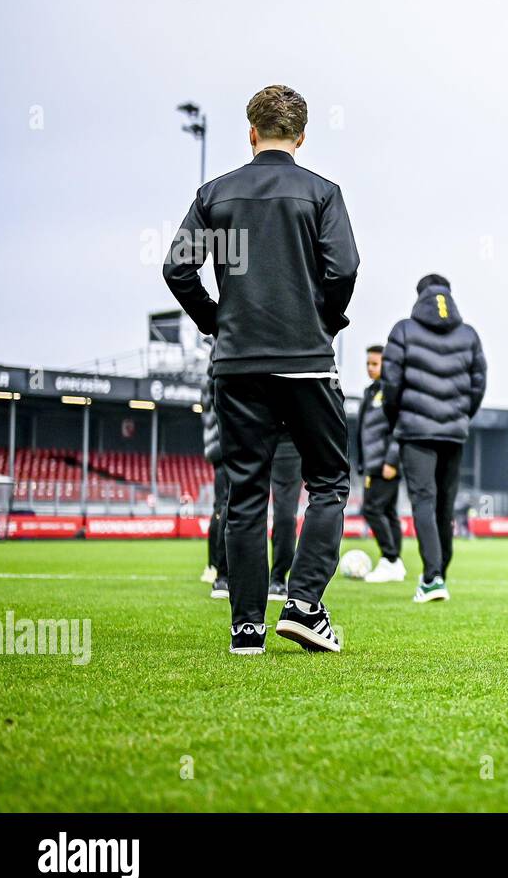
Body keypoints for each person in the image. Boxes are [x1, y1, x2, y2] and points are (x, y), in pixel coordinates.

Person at [164, 84, 359, 655]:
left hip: (238, 363)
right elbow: (343, 267)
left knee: (244, 493)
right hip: (304, 362)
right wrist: (323, 319)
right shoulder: (323, 194)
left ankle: (246, 627)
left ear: (251, 133)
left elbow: (178, 269)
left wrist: (216, 322)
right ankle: (303, 606)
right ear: (301, 137)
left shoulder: (215, 194)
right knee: (328, 481)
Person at [382, 274, 486, 604]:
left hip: (415, 433)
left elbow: (390, 383)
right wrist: (459, 417)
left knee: (424, 501)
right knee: (445, 505)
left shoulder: (402, 330)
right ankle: (440, 573)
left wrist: (397, 418)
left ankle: (432, 577)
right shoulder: (469, 334)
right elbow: (478, 384)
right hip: (454, 433)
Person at [357, 344, 405, 582]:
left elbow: (400, 428)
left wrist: (392, 460)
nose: (370, 368)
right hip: (372, 463)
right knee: (388, 511)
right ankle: (396, 563)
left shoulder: (393, 391)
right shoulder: (370, 391)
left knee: (372, 509)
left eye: (375, 363)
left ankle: (390, 559)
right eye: (368, 363)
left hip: (385, 464)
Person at [200, 348, 229, 599]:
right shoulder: (220, 361)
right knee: (225, 506)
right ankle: (220, 571)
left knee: (221, 506)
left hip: (217, 443)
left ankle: (215, 567)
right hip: (225, 442)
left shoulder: (211, 368)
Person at [267, 434, 302, 601]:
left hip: (248, 430)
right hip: (286, 436)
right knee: (285, 510)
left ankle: (225, 578)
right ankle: (277, 580)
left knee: (244, 506)